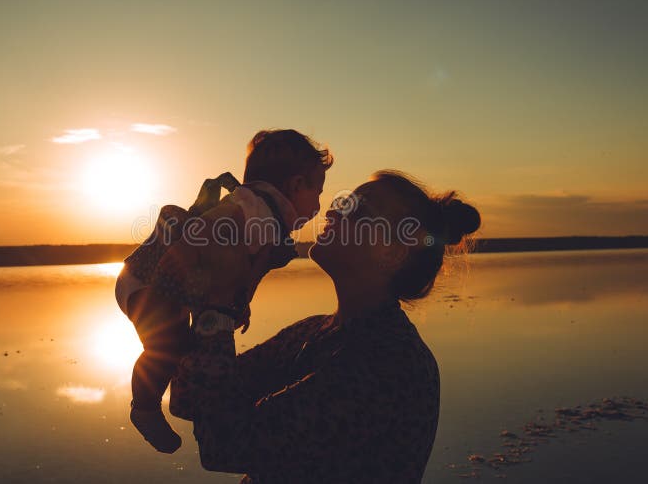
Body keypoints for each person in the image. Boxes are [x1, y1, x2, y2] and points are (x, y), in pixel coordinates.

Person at [169, 170, 481, 483]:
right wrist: (199, 290)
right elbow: (189, 398)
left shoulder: (393, 365)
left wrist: (218, 309)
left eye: (355, 208)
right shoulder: (314, 330)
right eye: (341, 200)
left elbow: (226, 445)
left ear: (393, 253)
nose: (333, 210)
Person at [114, 129, 333, 453]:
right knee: (167, 345)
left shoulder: (269, 222)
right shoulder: (253, 207)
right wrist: (183, 254)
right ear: (296, 185)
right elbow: (207, 226)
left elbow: (246, 271)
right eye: (318, 192)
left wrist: (239, 304)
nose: (318, 205)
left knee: (184, 345)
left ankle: (188, 400)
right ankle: (144, 408)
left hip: (172, 289)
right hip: (146, 281)